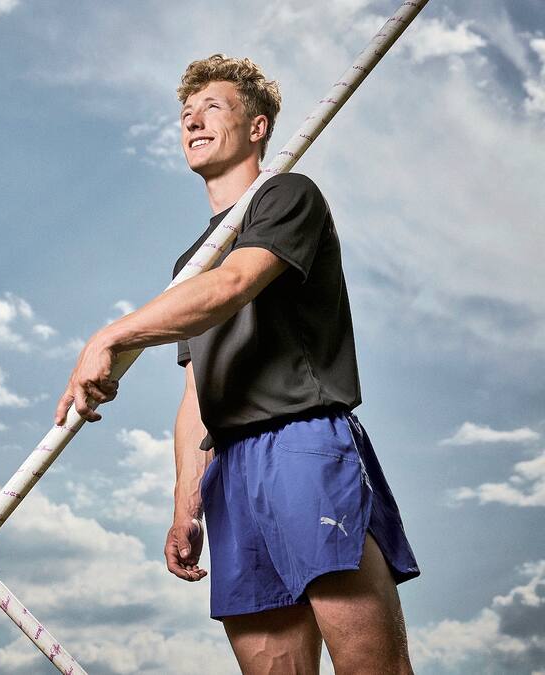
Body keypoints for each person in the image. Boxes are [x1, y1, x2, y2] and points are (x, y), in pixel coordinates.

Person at [55, 55, 419, 673]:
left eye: (212, 108)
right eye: (185, 114)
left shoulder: (286, 197)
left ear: (257, 126)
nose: (192, 120)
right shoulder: (190, 264)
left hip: (302, 443)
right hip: (231, 469)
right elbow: (199, 391)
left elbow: (236, 283)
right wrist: (183, 503)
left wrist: (109, 337)